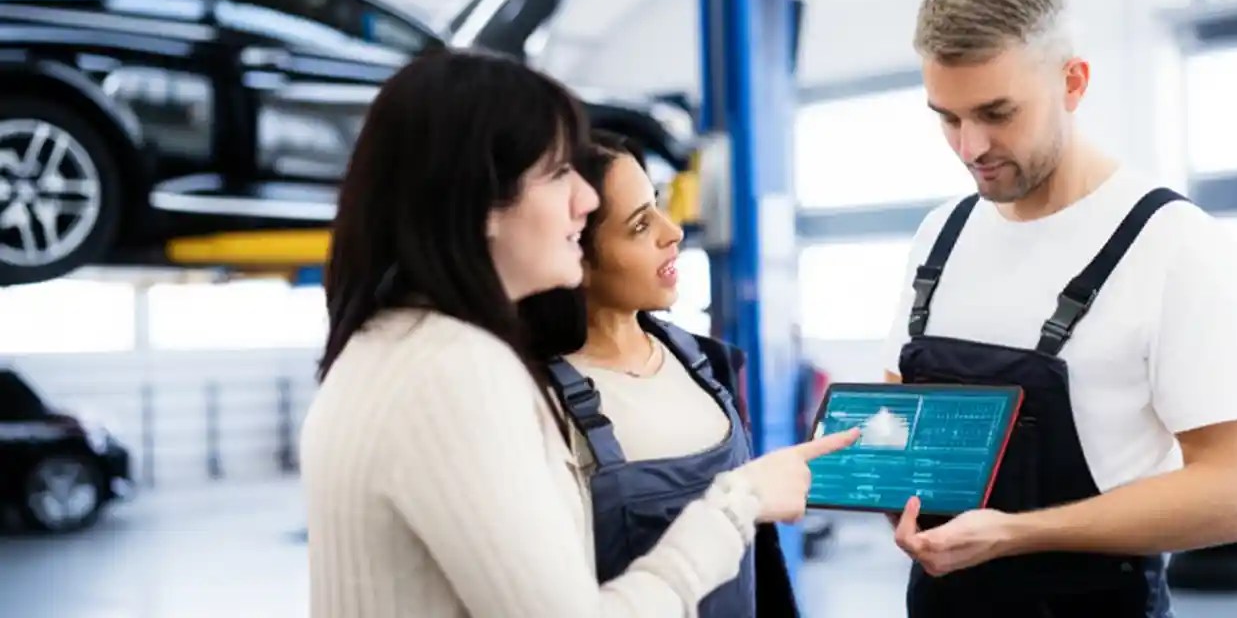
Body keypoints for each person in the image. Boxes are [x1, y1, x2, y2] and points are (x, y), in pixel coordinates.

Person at [299, 49, 858, 618]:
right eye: (559, 173)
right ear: (481, 200)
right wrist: (739, 503)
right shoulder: (455, 371)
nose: (586, 201)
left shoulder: (385, 347)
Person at [881, 0, 1237, 617]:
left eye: (996, 112)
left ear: (1073, 81)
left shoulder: (1175, 245)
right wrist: (866, 474)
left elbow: (1232, 496)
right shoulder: (939, 235)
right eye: (946, 117)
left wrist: (1016, 534)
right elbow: (899, 408)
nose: (970, 146)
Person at [517, 131, 799, 617]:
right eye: (640, 225)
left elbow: (760, 563)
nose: (673, 232)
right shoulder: (535, 402)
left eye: (660, 207)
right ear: (573, 253)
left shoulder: (709, 363)